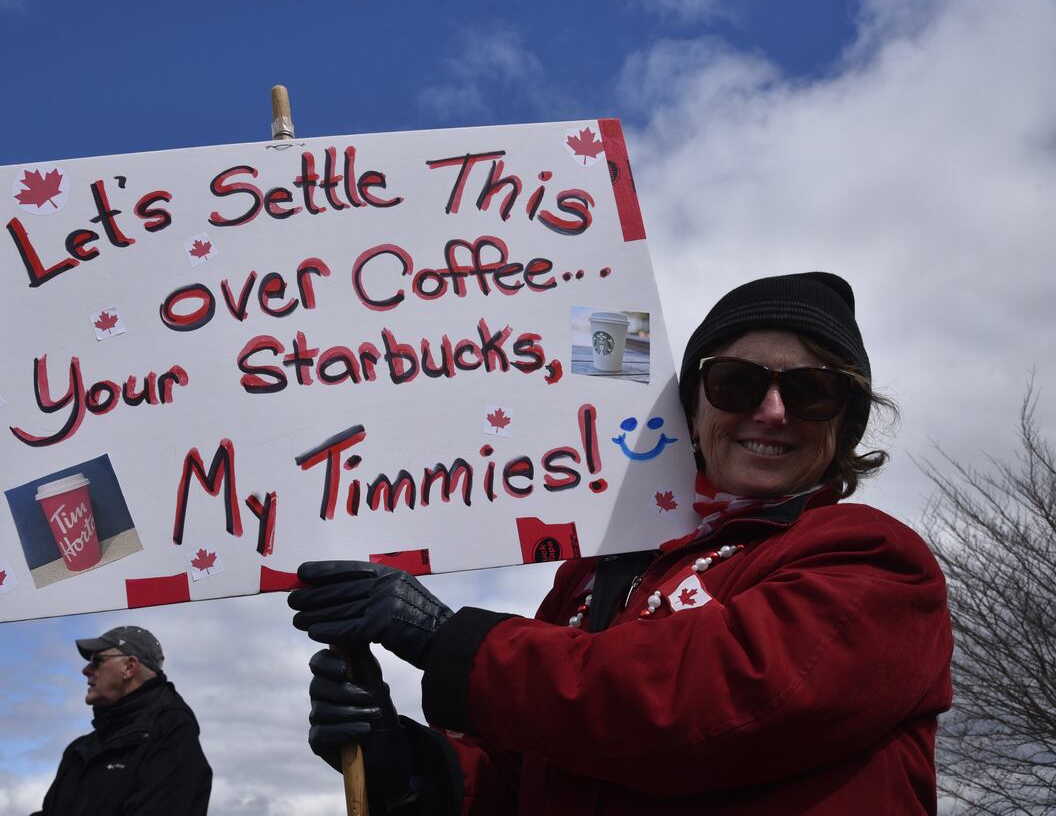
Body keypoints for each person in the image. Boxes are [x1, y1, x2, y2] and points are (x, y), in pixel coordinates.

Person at [288, 271, 953, 814]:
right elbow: (532, 774)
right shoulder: (596, 574)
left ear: (845, 424)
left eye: (813, 392)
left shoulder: (873, 560)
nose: (771, 412)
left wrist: (447, 640)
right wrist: (404, 764)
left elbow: (700, 709)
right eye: (736, 383)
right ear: (694, 405)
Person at [33, 625, 212, 815]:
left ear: (129, 667)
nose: (85, 670)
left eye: (97, 661)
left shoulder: (173, 733)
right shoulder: (79, 751)